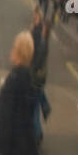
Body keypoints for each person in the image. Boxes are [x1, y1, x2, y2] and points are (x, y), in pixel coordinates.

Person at [30, 10, 52, 143]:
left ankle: (38, 134)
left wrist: (29, 72)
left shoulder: (43, 43)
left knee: (34, 109)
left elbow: (37, 63)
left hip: (37, 79)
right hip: (40, 79)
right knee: (36, 102)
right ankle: (46, 106)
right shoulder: (44, 41)